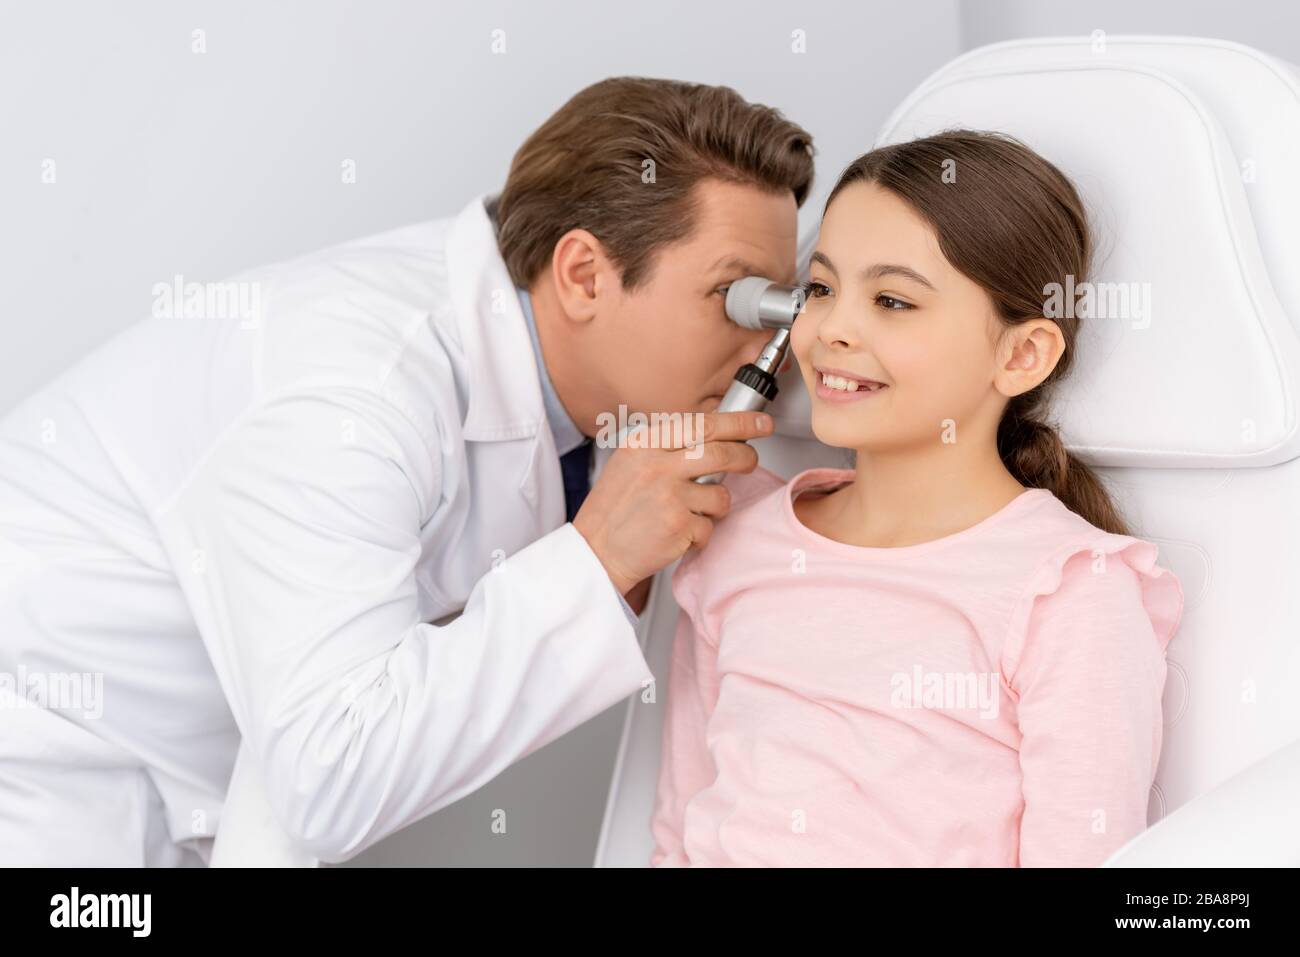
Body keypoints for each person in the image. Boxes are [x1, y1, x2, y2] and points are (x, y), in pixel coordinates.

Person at [0, 76, 814, 865]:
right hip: (50, 752)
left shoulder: (588, 393)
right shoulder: (357, 389)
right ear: (583, 275)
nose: (762, 349)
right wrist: (596, 561)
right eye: (736, 299)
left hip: (176, 767)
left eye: (778, 307)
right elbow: (333, 774)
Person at [650, 130, 1185, 867]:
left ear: (1021, 354)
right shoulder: (739, 538)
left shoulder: (1069, 592)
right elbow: (679, 834)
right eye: (823, 289)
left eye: (893, 300)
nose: (833, 329)